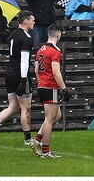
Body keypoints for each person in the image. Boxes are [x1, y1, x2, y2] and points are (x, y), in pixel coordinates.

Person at [0, 10, 36, 147]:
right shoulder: (26, 38)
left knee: (13, 106)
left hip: (10, 72)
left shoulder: (12, 35)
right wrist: (24, 79)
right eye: (32, 20)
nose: (33, 22)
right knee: (26, 107)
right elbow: (24, 60)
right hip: (19, 73)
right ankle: (27, 138)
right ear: (25, 21)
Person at [33, 24, 69, 158]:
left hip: (42, 85)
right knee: (49, 119)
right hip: (50, 86)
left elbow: (36, 70)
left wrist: (41, 81)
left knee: (56, 116)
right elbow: (56, 71)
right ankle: (46, 151)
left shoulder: (40, 49)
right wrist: (64, 88)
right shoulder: (55, 50)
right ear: (58, 35)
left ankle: (37, 140)